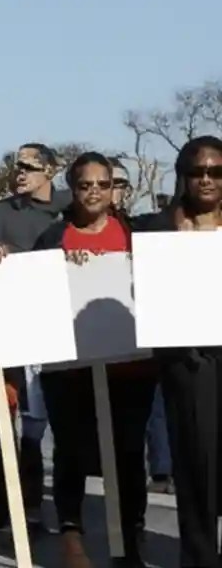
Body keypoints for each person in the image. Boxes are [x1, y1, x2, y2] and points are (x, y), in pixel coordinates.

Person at [33, 152, 154, 568]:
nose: (94, 192)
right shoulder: (53, 238)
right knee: (71, 451)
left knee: (127, 454)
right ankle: (71, 535)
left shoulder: (137, 235)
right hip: (70, 369)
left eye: (103, 184)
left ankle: (129, 540)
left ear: (114, 188)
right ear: (73, 187)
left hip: (131, 367)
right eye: (85, 184)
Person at [136, 135, 222, 567]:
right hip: (189, 363)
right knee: (196, 464)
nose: (206, 179)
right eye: (197, 171)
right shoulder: (157, 229)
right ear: (183, 177)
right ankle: (200, 557)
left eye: (216, 172)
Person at [0, 142, 68, 529]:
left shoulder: (68, 209)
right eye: (17, 165)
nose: (21, 172)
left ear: (51, 168)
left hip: (58, 327)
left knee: (43, 425)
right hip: (7, 328)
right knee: (2, 417)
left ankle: (47, 508)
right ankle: (3, 503)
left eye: (30, 165)